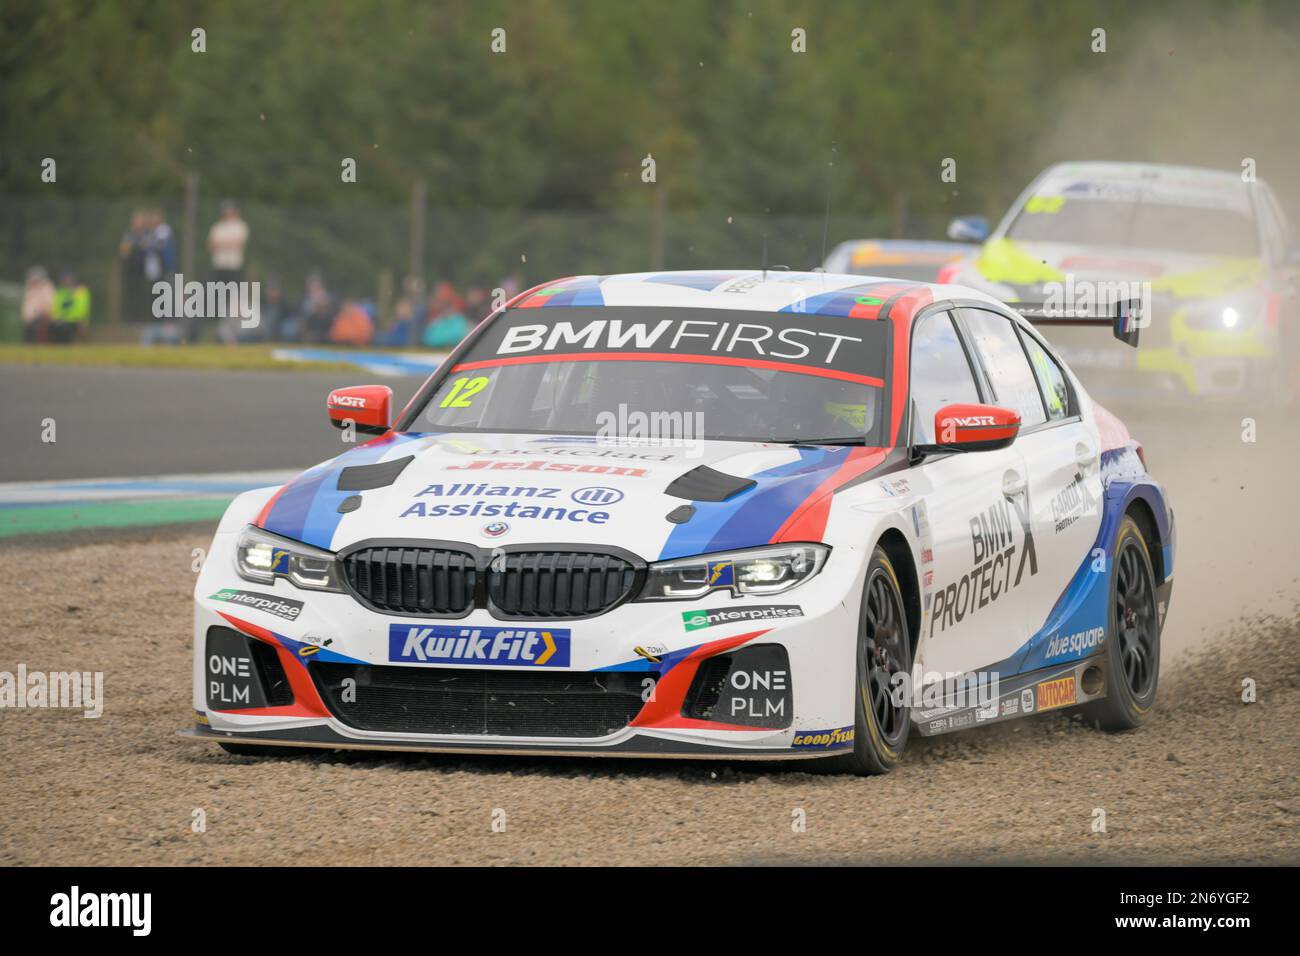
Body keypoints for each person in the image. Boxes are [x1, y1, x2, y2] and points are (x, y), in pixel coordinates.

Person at [50, 269, 91, 343]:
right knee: (56, 327)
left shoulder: (81, 291)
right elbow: (56, 309)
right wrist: (58, 318)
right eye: (64, 279)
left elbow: (83, 309)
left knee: (67, 329)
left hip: (75, 321)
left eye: (68, 278)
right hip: (62, 321)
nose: (66, 281)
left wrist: (81, 320)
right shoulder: (60, 292)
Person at [21, 266, 55, 343]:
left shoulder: (46, 289)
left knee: (36, 328)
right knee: (29, 331)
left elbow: (48, 305)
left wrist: (41, 314)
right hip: (31, 319)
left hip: (42, 317)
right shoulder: (29, 290)